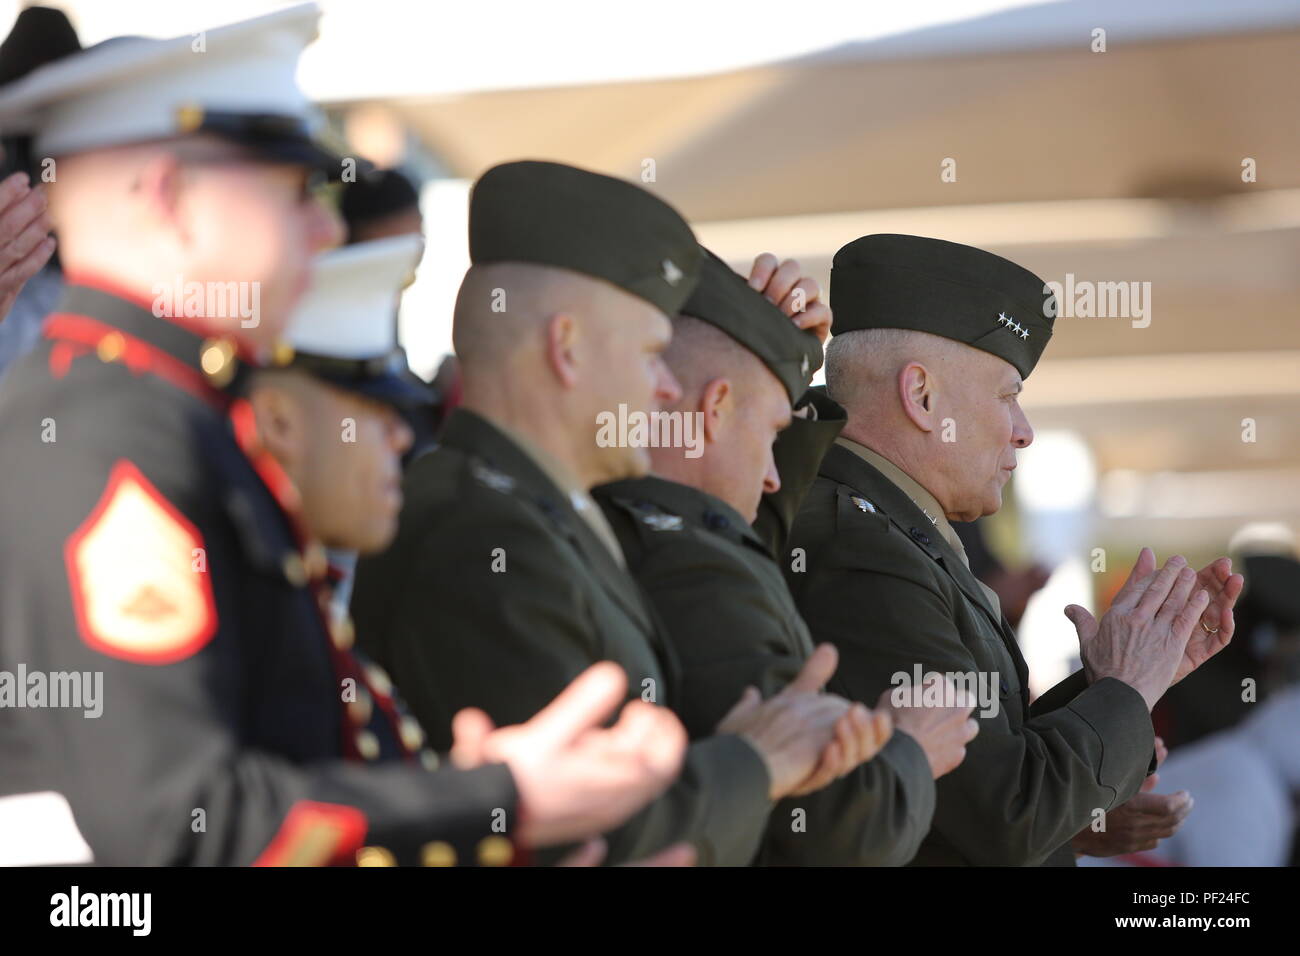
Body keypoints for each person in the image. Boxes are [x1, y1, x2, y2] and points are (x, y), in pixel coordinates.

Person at [0, 5, 686, 867]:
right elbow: (176, 822)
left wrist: (482, 828)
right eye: (293, 192)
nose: (325, 230)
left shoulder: (169, 414)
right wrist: (499, 798)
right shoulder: (109, 431)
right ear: (172, 197)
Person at [353, 159, 885, 865]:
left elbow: (725, 516)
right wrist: (756, 761)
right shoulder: (480, 531)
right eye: (650, 352)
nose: (667, 388)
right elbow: (581, 828)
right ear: (566, 349)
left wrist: (774, 359)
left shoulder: (544, 511)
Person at [786, 233, 1244, 866]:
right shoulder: (861, 547)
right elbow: (1007, 817)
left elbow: (971, 782)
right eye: (1008, 396)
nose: (1024, 432)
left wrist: (1115, 687)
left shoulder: (887, 530)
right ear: (922, 396)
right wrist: (1126, 691)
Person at [593, 248, 979, 865]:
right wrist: (909, 747)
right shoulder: (695, 565)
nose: (776, 477)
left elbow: (748, 530)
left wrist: (778, 355)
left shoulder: (664, 533)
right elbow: (837, 828)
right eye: (775, 433)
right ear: (713, 409)